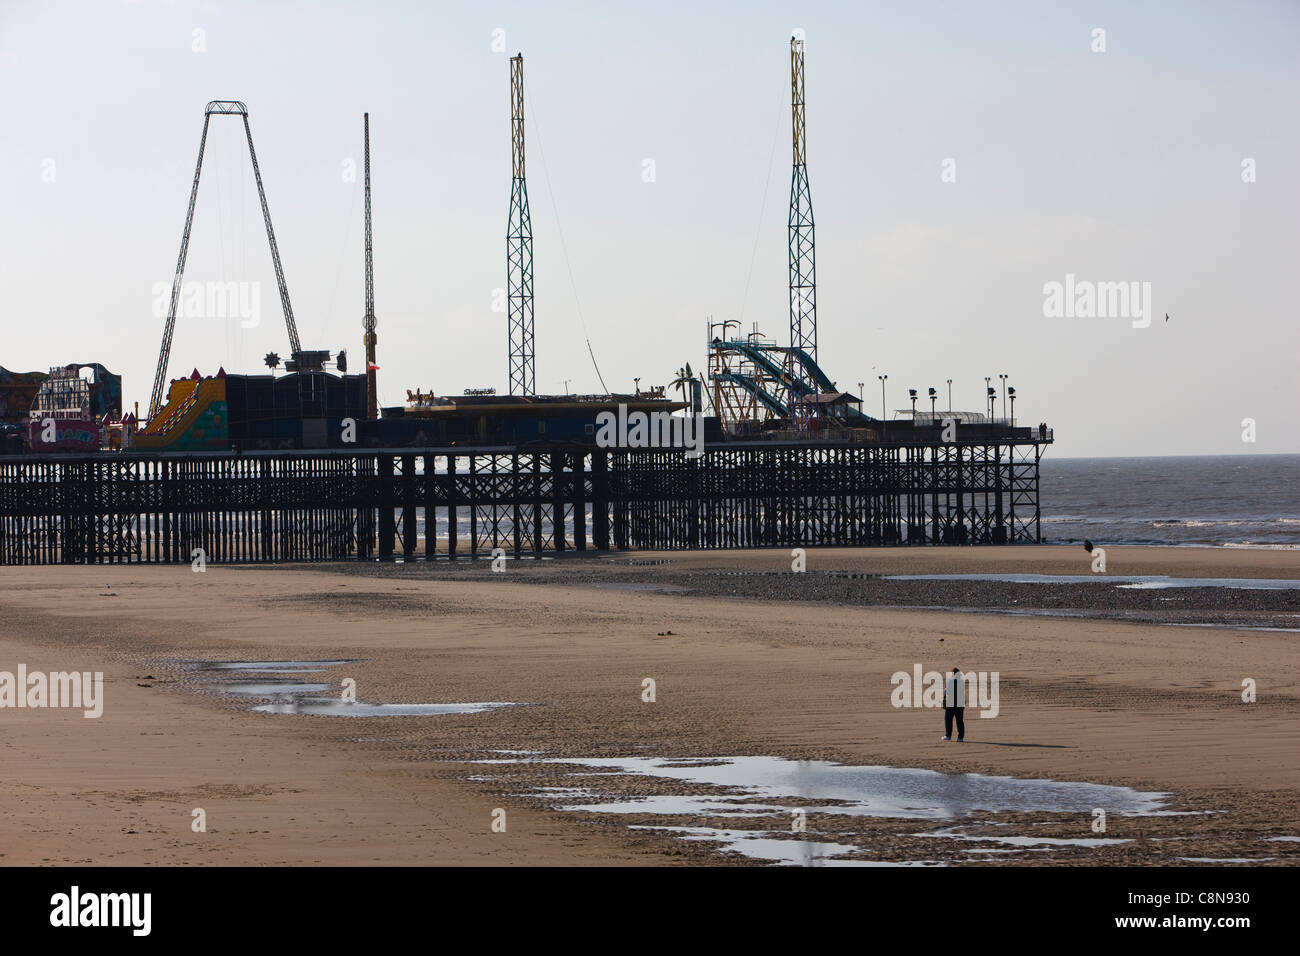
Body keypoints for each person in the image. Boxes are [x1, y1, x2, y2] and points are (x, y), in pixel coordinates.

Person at [942, 667, 965, 742]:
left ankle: (948, 735)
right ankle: (960, 738)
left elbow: (947, 692)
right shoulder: (961, 681)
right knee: (959, 721)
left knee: (948, 719)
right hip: (960, 704)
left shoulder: (950, 681)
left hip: (951, 704)